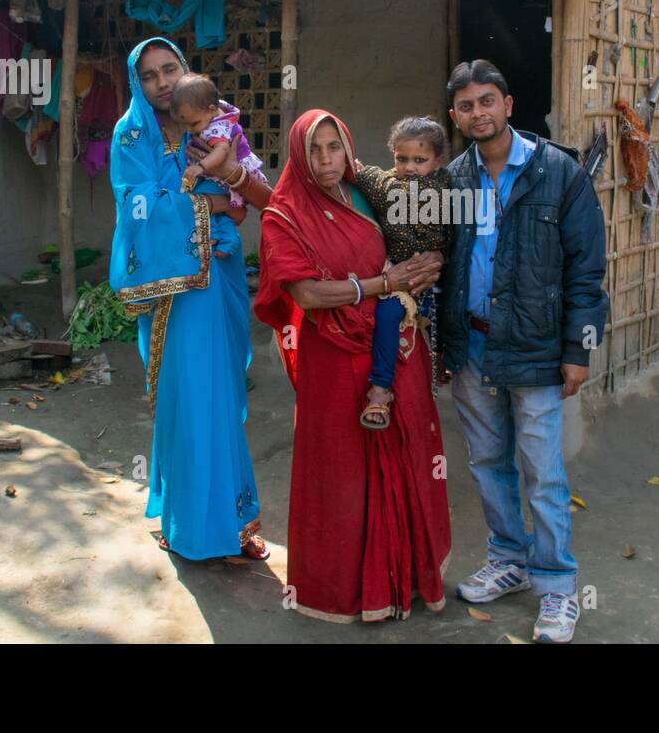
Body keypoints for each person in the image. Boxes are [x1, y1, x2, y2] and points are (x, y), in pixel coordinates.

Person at [254, 109, 451, 623]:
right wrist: (385, 284)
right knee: (342, 473)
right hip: (334, 359)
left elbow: (420, 242)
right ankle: (342, 589)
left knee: (407, 459)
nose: (325, 160)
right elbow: (308, 294)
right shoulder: (284, 213)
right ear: (299, 153)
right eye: (314, 150)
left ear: (348, 148)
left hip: (396, 348)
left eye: (334, 147)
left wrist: (429, 267)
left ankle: (402, 581)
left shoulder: (367, 194)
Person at [439, 58, 608, 643]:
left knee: (543, 470)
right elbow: (444, 266)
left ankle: (558, 587)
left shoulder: (559, 174)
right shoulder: (453, 178)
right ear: (456, 115)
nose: (477, 112)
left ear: (508, 105)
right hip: (475, 347)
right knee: (488, 464)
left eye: (487, 100)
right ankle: (508, 561)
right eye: (465, 105)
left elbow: (587, 271)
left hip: (536, 348)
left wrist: (579, 348)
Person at [109, 37, 272, 561]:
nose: (160, 81)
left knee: (222, 399)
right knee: (188, 402)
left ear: (184, 69)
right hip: (174, 291)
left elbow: (256, 186)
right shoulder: (131, 134)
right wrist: (216, 206)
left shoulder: (214, 122)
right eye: (150, 74)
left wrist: (232, 196)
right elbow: (136, 205)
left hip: (218, 276)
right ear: (138, 80)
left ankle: (235, 521)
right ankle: (189, 527)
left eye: (169, 69)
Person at [351, 116, 451, 429]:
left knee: (446, 324)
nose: (409, 167)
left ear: (437, 161)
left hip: (433, 279)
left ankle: (444, 364)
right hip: (398, 279)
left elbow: (388, 192)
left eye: (420, 160)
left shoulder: (439, 186)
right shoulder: (391, 180)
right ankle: (381, 390)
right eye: (401, 158)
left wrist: (362, 173)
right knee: (388, 314)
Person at [169, 72, 269, 208]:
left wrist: (200, 167)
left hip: (231, 174)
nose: (189, 130)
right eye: (185, 125)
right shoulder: (208, 112)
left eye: (193, 124)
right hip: (225, 174)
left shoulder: (217, 128)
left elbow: (222, 151)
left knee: (192, 200)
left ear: (212, 110)